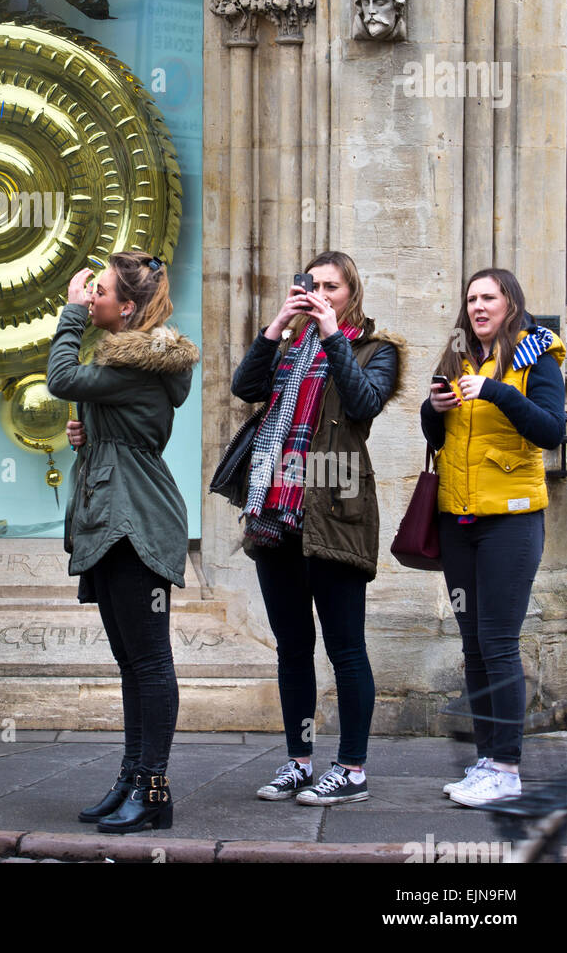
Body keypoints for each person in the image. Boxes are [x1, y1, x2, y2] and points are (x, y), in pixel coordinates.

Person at [230, 251, 403, 805]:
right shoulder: (287, 349)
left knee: (346, 648)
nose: (321, 294)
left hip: (333, 513)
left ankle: (351, 768)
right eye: (313, 286)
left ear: (352, 293)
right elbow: (244, 387)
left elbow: (362, 404)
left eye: (333, 287)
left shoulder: (377, 351)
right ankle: (299, 762)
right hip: (275, 510)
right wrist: (277, 324)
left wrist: (331, 336)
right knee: (293, 648)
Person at [47, 252, 200, 833]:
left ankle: (154, 789)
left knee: (150, 661)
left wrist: (68, 315)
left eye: (100, 291)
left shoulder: (138, 361)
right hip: (112, 514)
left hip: (137, 520)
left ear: (126, 307)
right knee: (130, 661)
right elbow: (103, 408)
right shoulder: (124, 359)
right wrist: (92, 433)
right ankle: (132, 776)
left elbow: (60, 377)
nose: (91, 297)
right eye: (90, 292)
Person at [421, 269, 565, 807]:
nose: (478, 306)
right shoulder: (456, 357)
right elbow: (439, 437)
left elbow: (553, 430)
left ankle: (507, 768)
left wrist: (498, 391)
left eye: (489, 297)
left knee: (499, 643)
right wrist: (431, 412)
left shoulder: (536, 356)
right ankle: (486, 761)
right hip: (457, 518)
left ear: (510, 303)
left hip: (512, 517)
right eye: (471, 299)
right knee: (474, 645)